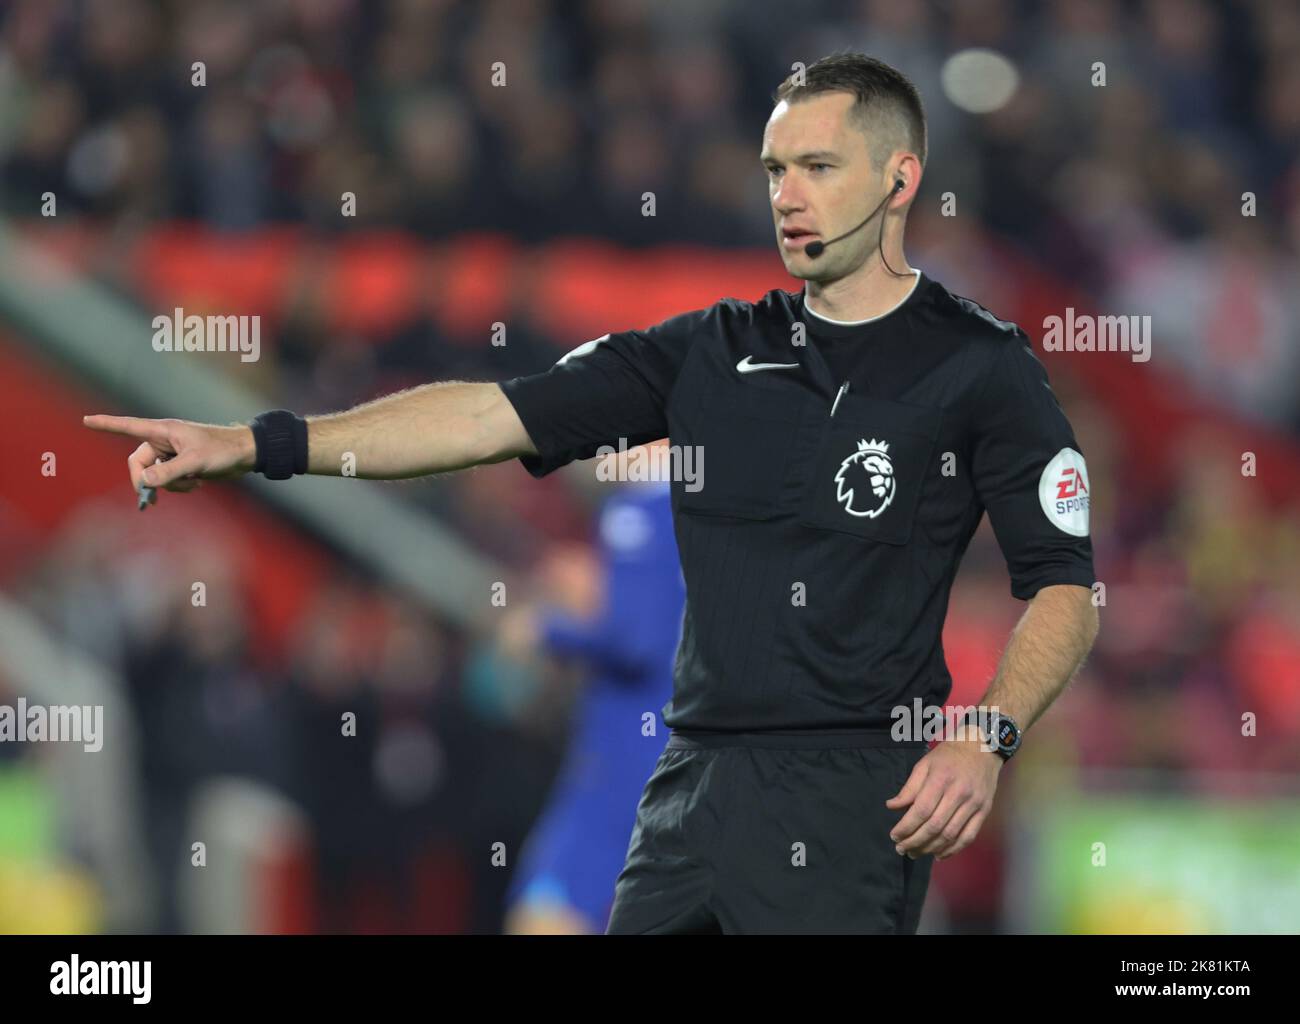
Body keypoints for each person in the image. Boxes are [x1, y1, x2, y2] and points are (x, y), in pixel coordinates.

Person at [84, 53, 1100, 934]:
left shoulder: (981, 369)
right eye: (775, 170)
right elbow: (486, 416)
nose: (786, 195)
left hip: (847, 795)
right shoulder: (709, 350)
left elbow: (1064, 585)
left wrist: (986, 733)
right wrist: (260, 441)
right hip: (688, 786)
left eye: (817, 168)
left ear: (898, 178)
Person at [501, 442, 684, 934]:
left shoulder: (641, 507)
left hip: (622, 762)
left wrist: (547, 629)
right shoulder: (704, 512)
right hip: (665, 754)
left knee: (543, 914)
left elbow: (637, 640)